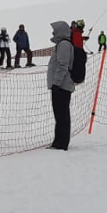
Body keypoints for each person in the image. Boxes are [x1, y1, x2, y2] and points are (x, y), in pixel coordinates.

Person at [47, 20, 78, 150]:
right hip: (61, 85)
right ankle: (58, 142)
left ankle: (61, 143)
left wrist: (56, 84)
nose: (53, 32)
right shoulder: (62, 44)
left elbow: (63, 65)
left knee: (62, 115)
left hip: (61, 86)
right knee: (60, 115)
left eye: (55, 30)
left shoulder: (64, 44)